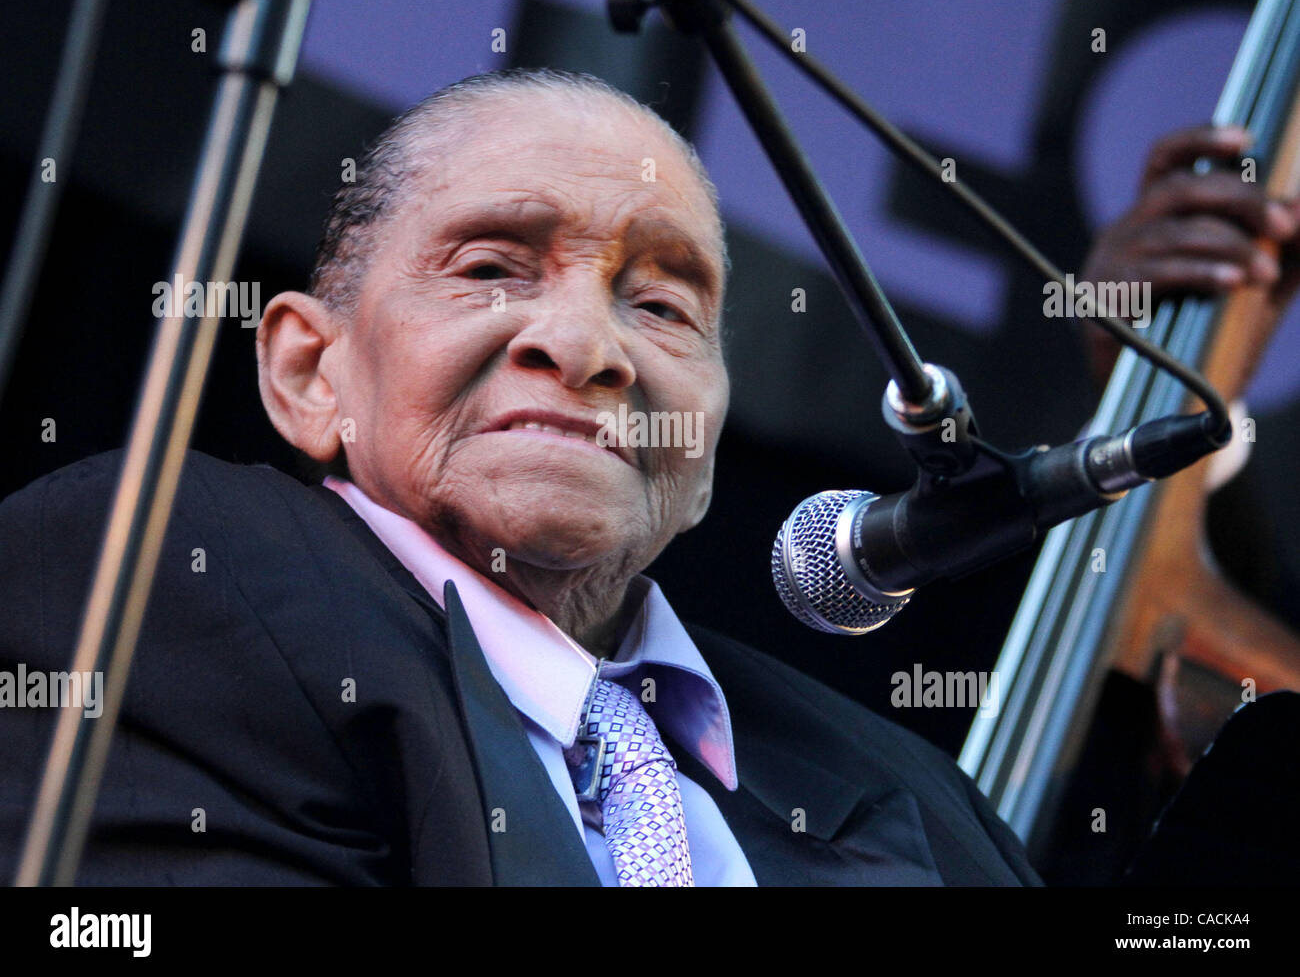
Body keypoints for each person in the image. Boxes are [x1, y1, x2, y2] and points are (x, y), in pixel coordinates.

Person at [0, 69, 1295, 886]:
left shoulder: (897, 777)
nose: (590, 345)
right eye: (493, 267)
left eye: (664, 304)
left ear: (714, 434)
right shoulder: (170, 574)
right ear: (305, 369)